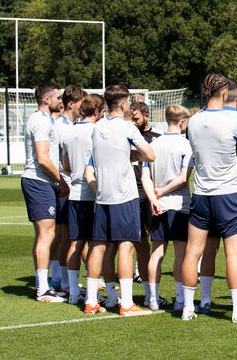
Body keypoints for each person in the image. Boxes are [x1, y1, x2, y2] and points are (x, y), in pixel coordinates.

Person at [179, 74, 237, 323]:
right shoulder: (233, 121)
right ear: (224, 91)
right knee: (233, 254)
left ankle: (187, 308)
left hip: (202, 194)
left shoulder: (193, 122)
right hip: (227, 194)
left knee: (193, 252)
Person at [82, 85, 156, 316]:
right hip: (124, 196)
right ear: (123, 104)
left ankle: (91, 301)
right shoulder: (127, 128)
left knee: (98, 247)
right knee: (126, 247)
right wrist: (135, 154)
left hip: (102, 196)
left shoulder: (96, 127)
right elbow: (151, 155)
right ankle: (126, 304)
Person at [20, 83, 70, 302]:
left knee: (45, 234)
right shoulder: (40, 121)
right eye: (57, 97)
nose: (61, 100)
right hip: (39, 181)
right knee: (47, 234)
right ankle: (42, 289)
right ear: (46, 100)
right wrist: (61, 181)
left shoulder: (45, 120)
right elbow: (42, 157)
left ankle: (44, 284)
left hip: (41, 182)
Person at [140, 105, 192, 312]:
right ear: (181, 122)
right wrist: (161, 192)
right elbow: (183, 178)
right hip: (179, 205)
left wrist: (154, 197)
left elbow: (145, 176)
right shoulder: (185, 145)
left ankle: (152, 298)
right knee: (180, 253)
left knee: (157, 251)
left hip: (158, 206)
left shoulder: (153, 143)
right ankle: (180, 299)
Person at [60, 93, 103, 304]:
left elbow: (65, 164)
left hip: (74, 192)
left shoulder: (70, 131)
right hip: (92, 192)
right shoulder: (96, 131)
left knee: (75, 243)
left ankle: (74, 292)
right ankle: (94, 294)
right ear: (96, 112)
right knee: (95, 244)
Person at [50, 85, 87, 294]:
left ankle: (60, 277)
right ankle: (63, 281)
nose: (83, 108)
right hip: (65, 186)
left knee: (63, 234)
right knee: (66, 235)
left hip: (66, 185)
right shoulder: (63, 128)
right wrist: (62, 182)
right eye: (81, 103)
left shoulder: (66, 125)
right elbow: (62, 162)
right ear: (72, 104)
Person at [131, 101, 161, 300]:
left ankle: (151, 280)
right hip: (132, 191)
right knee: (138, 239)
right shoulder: (128, 134)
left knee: (154, 237)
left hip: (151, 193)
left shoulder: (158, 138)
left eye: (136, 118)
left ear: (146, 115)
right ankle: (140, 273)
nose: (133, 122)